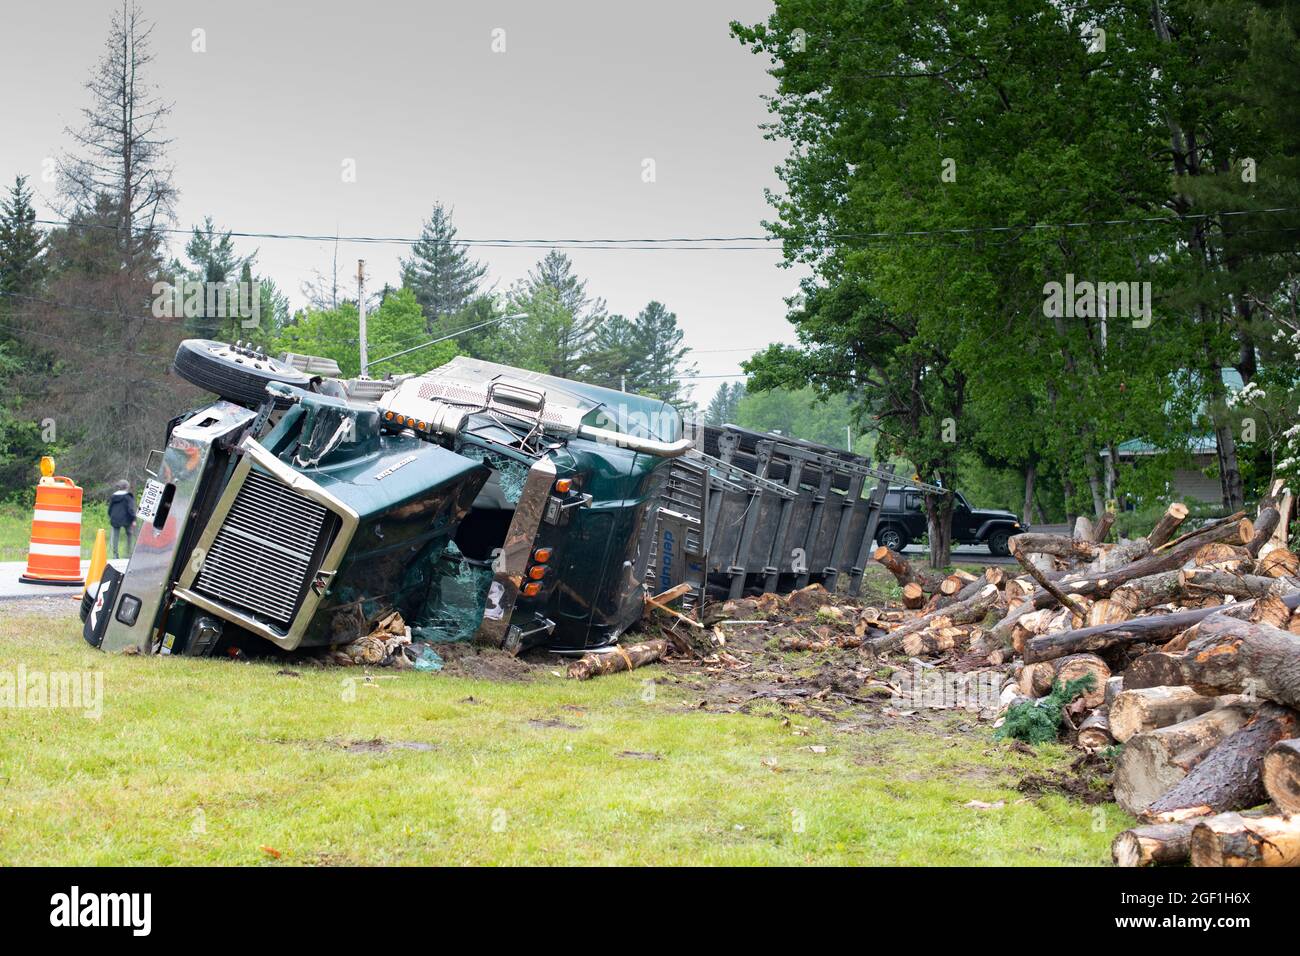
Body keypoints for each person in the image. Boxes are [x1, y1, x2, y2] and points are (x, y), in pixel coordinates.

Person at [108, 479, 138, 559]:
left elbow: (110, 509)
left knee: (115, 536)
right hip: (126, 519)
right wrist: (134, 519)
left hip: (115, 518)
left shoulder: (113, 496)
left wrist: (111, 516)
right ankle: (128, 554)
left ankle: (115, 555)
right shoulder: (128, 496)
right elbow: (130, 509)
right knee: (129, 534)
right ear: (127, 487)